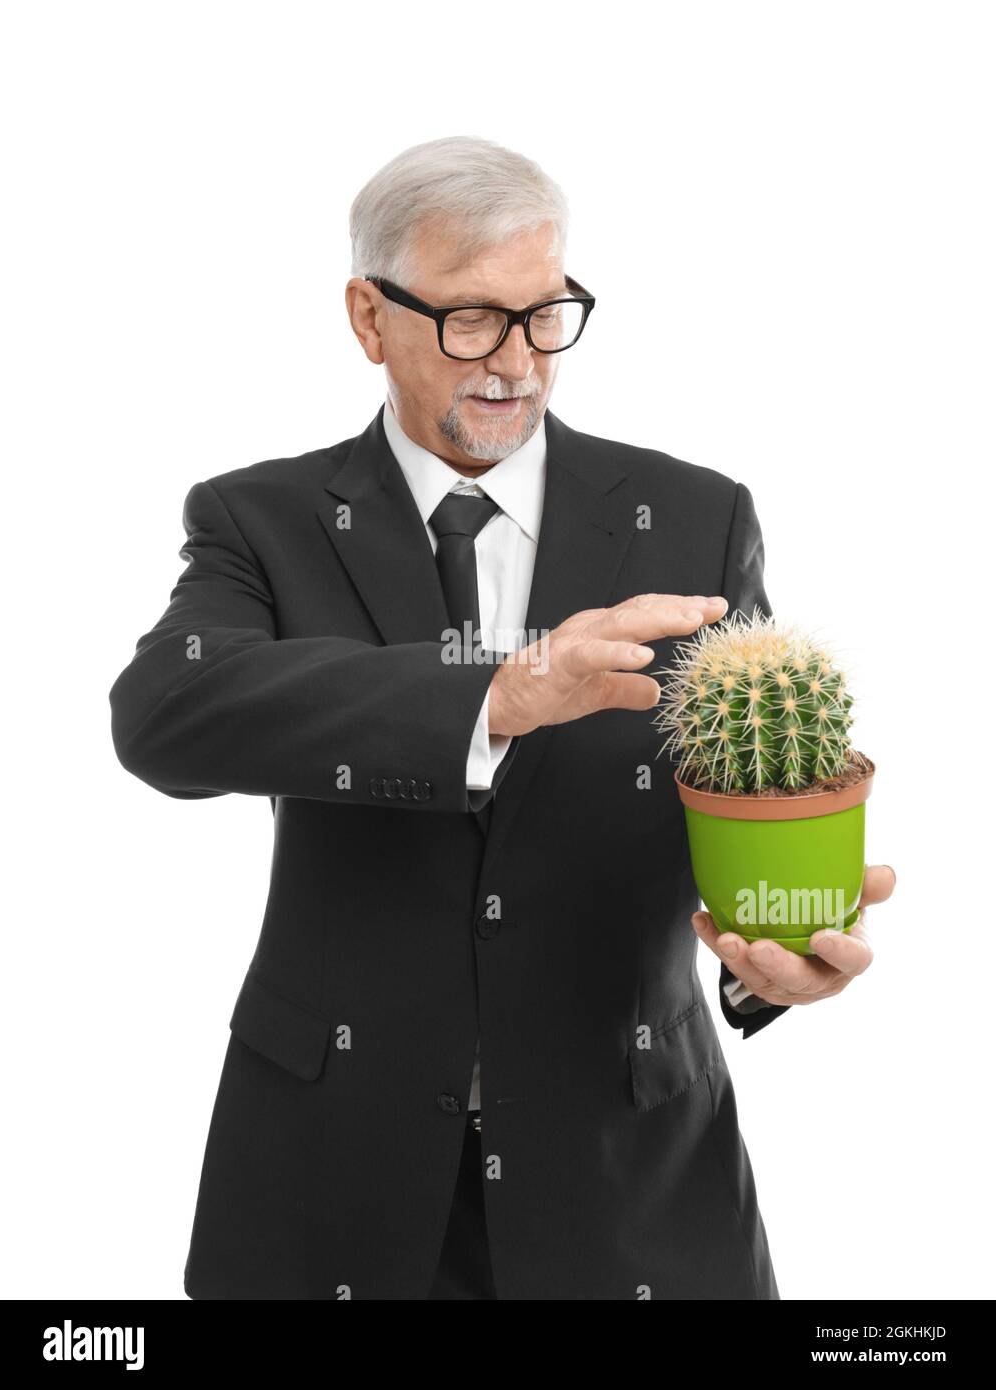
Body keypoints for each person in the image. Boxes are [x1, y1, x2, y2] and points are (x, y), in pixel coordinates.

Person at [109, 135, 895, 1300]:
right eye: (473, 318)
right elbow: (164, 712)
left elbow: (745, 796)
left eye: (546, 314)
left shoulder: (691, 515)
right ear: (369, 319)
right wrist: (495, 695)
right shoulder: (258, 518)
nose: (518, 363)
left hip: (627, 1187)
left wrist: (764, 963)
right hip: (330, 1187)